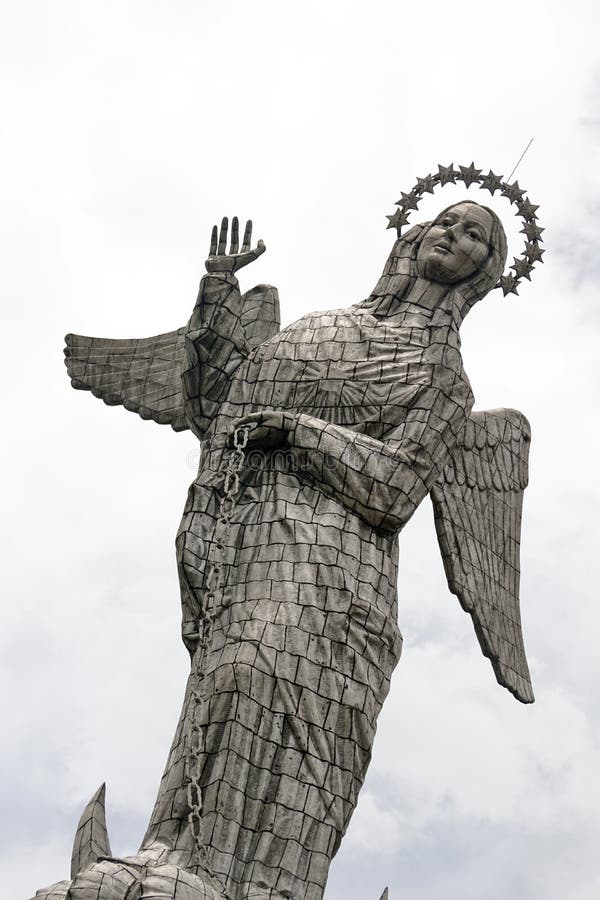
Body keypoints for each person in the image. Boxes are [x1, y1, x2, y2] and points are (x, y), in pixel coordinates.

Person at [134, 202, 509, 900]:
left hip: (339, 562)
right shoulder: (323, 329)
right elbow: (227, 408)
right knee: (222, 681)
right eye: (447, 221)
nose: (453, 235)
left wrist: (301, 432)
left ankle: (249, 878)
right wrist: (217, 294)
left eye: (474, 236)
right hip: (255, 531)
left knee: (261, 674)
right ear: (417, 234)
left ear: (482, 273)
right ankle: (174, 853)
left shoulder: (445, 381)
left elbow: (396, 488)